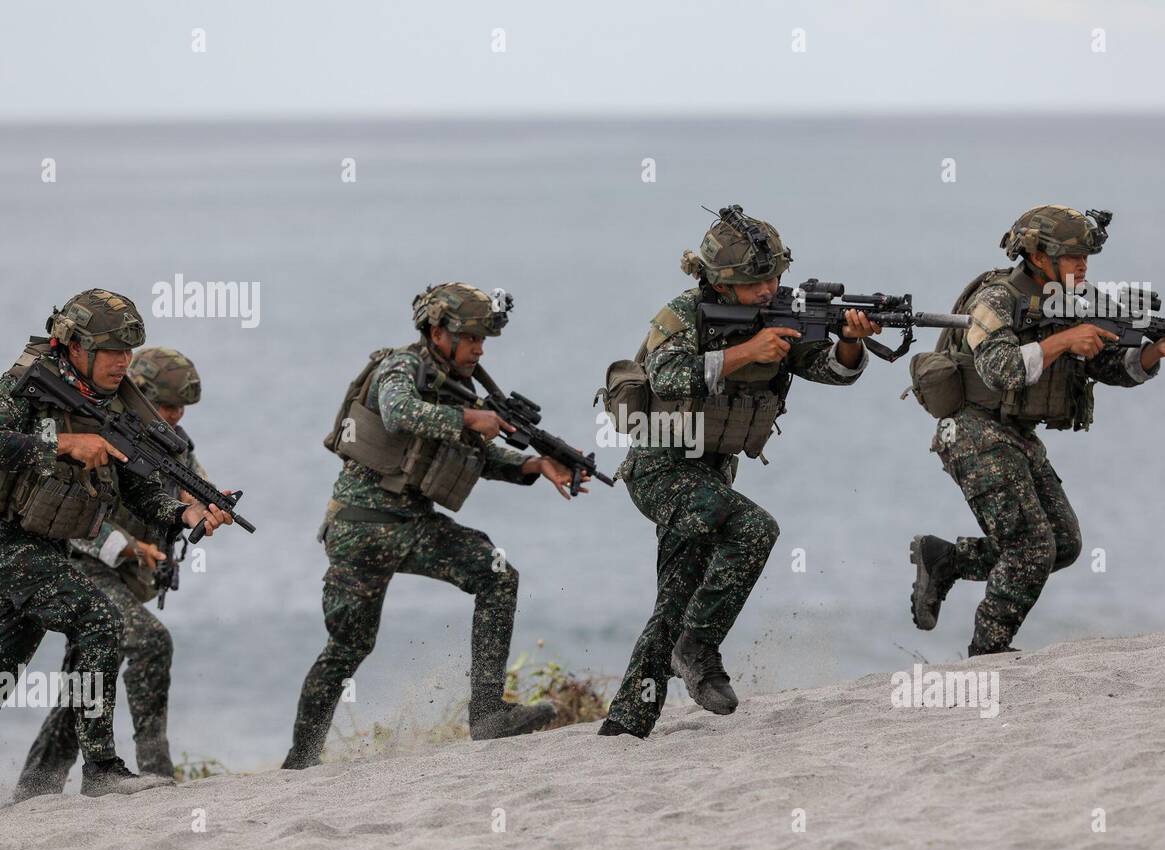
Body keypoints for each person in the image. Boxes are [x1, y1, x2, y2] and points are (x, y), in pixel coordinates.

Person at [600, 205, 880, 738]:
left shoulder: (780, 314)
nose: (771, 288)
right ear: (721, 282)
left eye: (776, 277)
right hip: (661, 468)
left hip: (712, 475)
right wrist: (745, 352)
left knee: (676, 595)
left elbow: (833, 371)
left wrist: (850, 340)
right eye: (756, 282)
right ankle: (697, 648)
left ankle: (627, 723)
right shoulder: (683, 314)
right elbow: (666, 374)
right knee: (755, 528)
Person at [283, 283, 586, 769]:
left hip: (408, 523)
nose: (480, 348)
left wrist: (533, 466)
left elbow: (477, 455)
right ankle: (301, 760)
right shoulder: (400, 367)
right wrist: (470, 417)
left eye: (484, 340)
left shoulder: (455, 386)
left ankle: (487, 713)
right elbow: (400, 413)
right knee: (349, 646)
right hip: (364, 526)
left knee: (496, 572)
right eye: (471, 338)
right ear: (439, 333)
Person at [910, 205, 1165, 656]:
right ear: (1039, 255)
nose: (1083, 265)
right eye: (1072, 256)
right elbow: (1000, 369)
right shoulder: (997, 298)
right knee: (1032, 547)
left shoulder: (1073, 301)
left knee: (1063, 544)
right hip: (973, 430)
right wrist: (1064, 340)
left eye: (1086, 255)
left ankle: (946, 560)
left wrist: (1152, 353)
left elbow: (1107, 367)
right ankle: (987, 653)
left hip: (1016, 435)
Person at [0, 291, 231, 797]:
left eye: (129, 352)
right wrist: (60, 445)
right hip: (10, 544)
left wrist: (186, 512)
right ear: (76, 346)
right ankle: (102, 770)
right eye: (111, 351)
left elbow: (135, 486)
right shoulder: (24, 386)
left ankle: (34, 793)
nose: (122, 362)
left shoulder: (107, 404)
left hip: (43, 548)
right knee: (98, 619)